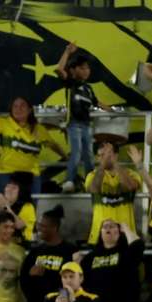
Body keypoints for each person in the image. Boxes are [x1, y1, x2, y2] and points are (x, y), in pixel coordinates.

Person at [0, 93, 65, 195]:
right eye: (15, 106)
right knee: (8, 208)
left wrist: (66, 157)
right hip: (7, 174)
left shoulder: (39, 129)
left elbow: (53, 145)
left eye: (22, 106)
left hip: (32, 175)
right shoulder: (4, 123)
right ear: (11, 110)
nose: (18, 109)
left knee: (31, 208)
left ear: (30, 110)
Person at [56, 44, 112, 192]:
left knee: (88, 155)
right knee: (77, 152)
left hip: (86, 125)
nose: (86, 71)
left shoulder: (88, 88)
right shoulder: (70, 83)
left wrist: (111, 110)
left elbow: (97, 102)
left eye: (87, 68)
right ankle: (69, 181)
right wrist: (67, 51)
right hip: (74, 124)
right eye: (82, 68)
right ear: (73, 70)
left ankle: (90, 181)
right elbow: (59, 69)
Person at [81, 220, 143, 302]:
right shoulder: (90, 257)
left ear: (119, 232)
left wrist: (125, 228)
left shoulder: (125, 252)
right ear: (100, 233)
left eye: (112, 226)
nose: (108, 228)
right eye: (105, 226)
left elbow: (138, 245)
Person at [85, 141, 141, 244]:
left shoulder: (130, 173)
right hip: (99, 237)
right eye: (100, 155)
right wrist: (102, 165)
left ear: (115, 155)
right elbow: (94, 189)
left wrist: (115, 164)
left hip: (126, 236)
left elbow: (130, 187)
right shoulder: (92, 175)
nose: (103, 158)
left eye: (107, 154)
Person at [20, 206, 73, 302]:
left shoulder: (69, 251)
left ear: (54, 228)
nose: (38, 228)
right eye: (38, 225)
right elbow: (24, 280)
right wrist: (30, 275)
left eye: (43, 226)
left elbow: (70, 282)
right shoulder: (35, 251)